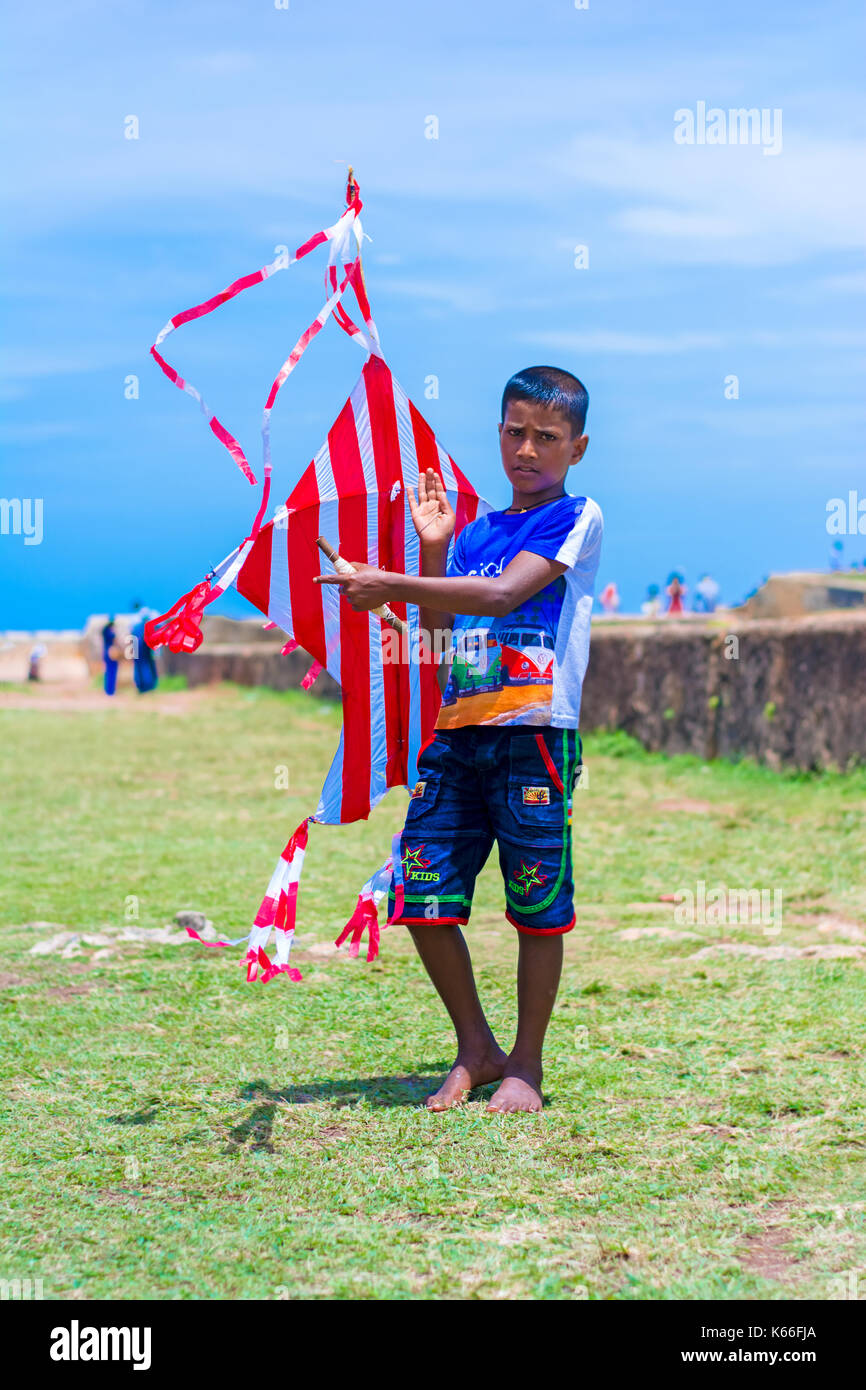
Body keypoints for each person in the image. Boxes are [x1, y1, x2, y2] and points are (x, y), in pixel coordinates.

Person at [315, 365, 603, 1114]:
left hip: (533, 736)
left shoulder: (575, 517)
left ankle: (527, 1068)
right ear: (499, 434)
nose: (528, 450)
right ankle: (476, 1048)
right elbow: (440, 639)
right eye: (515, 432)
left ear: (577, 447)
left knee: (537, 904)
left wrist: (391, 581)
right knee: (421, 895)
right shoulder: (476, 532)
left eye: (547, 437)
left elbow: (505, 594)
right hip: (458, 735)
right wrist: (435, 549)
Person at [130, 609, 158, 693]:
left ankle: (140, 687)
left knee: (138, 668)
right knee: (146, 667)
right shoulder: (148, 627)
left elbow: (132, 640)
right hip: (145, 651)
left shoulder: (135, 627)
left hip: (136, 651)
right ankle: (148, 687)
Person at [102, 617, 119, 696]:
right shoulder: (110, 632)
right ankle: (110, 690)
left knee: (109, 672)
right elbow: (115, 640)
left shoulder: (105, 631)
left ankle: (108, 690)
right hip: (110, 653)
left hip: (107, 653)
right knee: (112, 672)